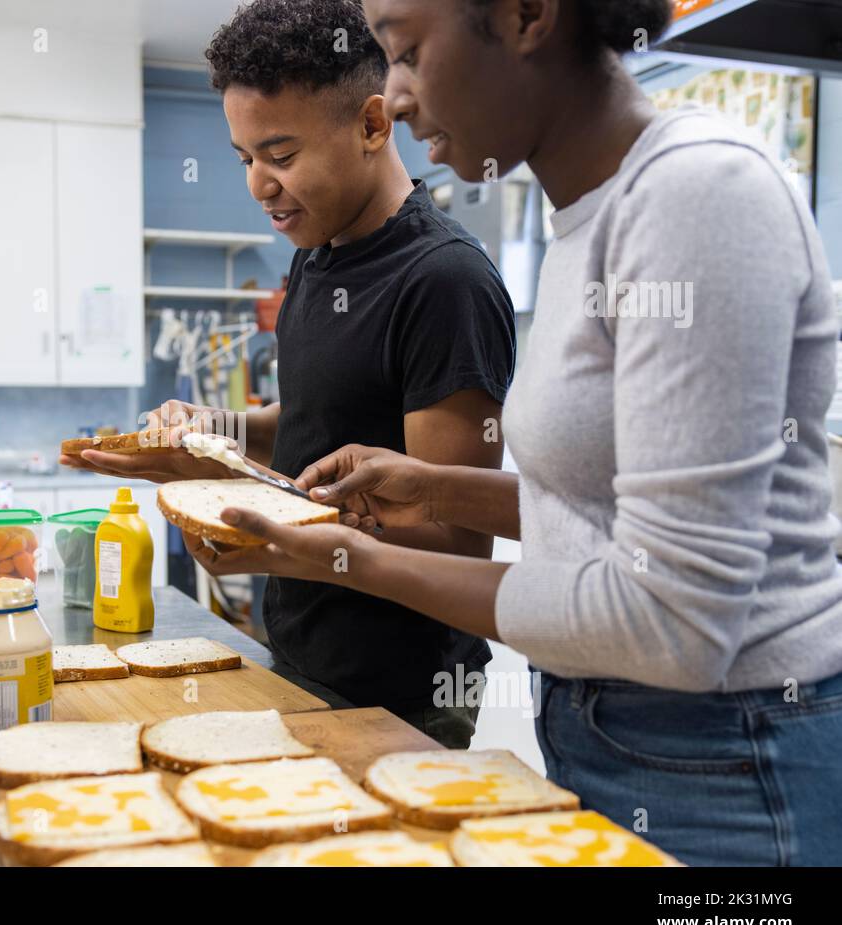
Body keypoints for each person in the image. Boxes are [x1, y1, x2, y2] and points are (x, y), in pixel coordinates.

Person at [187, 0, 842, 865]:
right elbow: (603, 517)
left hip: (727, 759)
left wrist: (339, 555)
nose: (398, 95)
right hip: (613, 733)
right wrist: (433, 484)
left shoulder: (695, 196)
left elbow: (676, 618)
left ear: (529, 15)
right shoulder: (585, 215)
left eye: (409, 51)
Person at [66, 0, 516, 749]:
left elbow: (457, 543)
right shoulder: (318, 250)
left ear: (373, 126)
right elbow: (315, 423)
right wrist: (214, 439)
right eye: (244, 158)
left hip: (406, 691)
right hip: (306, 657)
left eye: (280, 155)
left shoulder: (444, 283)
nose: (258, 185)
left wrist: (286, 542)